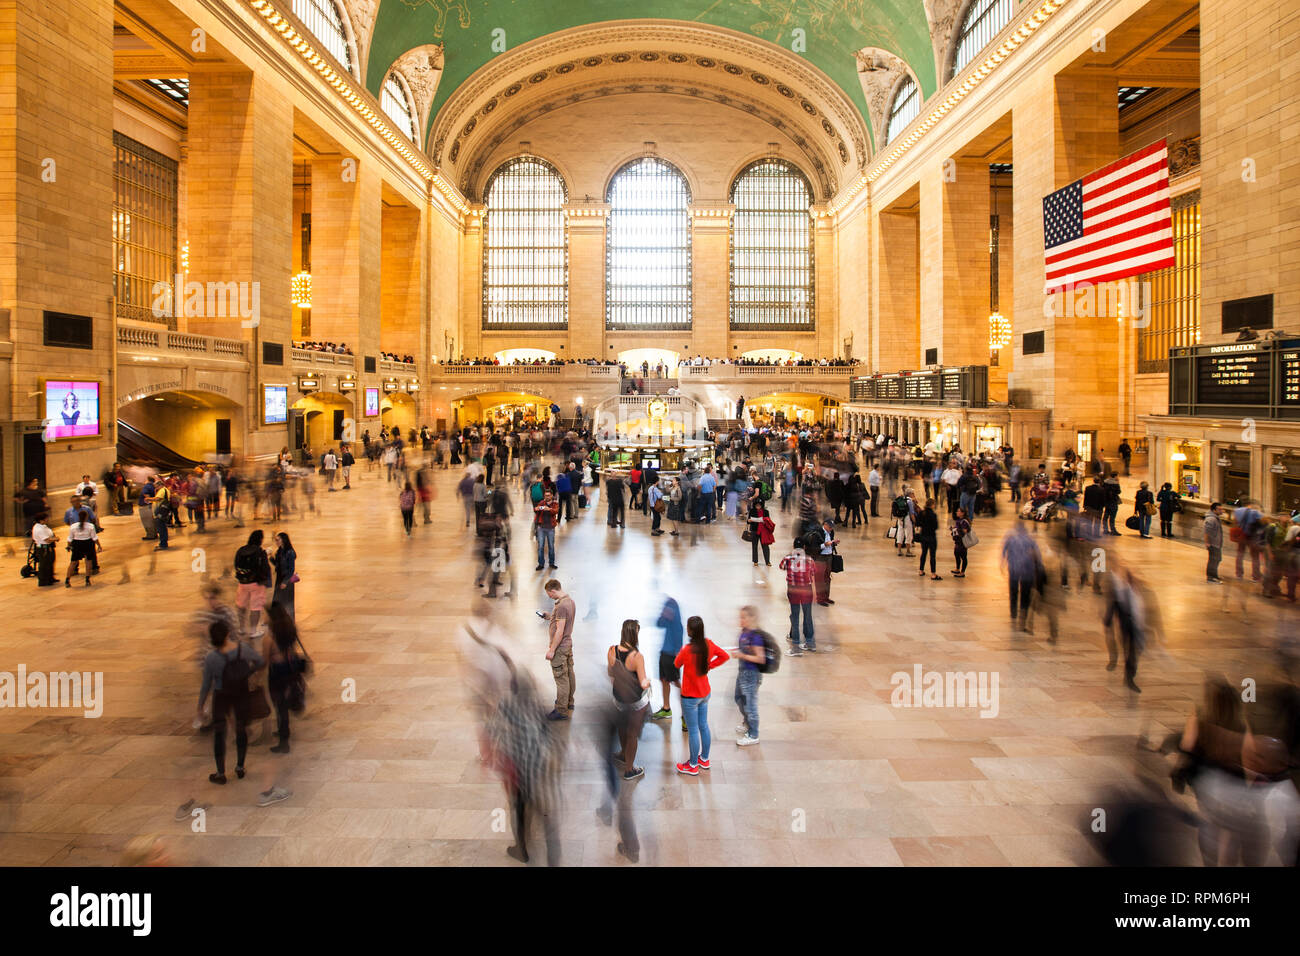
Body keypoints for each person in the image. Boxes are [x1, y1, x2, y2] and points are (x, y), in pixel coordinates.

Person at [197, 618, 264, 785]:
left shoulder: (211, 657)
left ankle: (220, 773)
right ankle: (240, 767)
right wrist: (249, 672)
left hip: (221, 695)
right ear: (228, 634)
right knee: (241, 728)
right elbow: (260, 662)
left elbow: (206, 684)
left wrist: (200, 706)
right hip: (241, 692)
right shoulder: (242, 649)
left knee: (219, 733)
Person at [674, 616, 730, 776]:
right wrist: (710, 665)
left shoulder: (687, 650)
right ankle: (704, 759)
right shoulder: (709, 644)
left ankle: (692, 765)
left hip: (690, 696)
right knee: (703, 726)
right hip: (705, 693)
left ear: (690, 631)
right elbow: (724, 656)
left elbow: (677, 664)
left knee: (692, 730)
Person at [607, 620, 650, 781]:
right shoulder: (637, 657)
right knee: (632, 734)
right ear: (634, 635)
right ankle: (630, 769)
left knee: (622, 727)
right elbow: (642, 682)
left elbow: (611, 673)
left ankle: (623, 754)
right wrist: (649, 682)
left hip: (618, 698)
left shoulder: (612, 650)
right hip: (634, 702)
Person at [262, 602, 306, 755]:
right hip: (291, 669)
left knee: (280, 706)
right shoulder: (290, 629)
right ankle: (283, 729)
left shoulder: (270, 639)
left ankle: (283, 740)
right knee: (284, 704)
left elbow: (264, 660)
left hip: (277, 673)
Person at [543, 579, 576, 721]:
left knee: (561, 678)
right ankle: (569, 702)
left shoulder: (561, 606)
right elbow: (563, 621)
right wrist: (550, 617)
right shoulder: (570, 601)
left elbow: (560, 631)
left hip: (560, 648)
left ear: (553, 590)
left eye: (549, 594)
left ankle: (561, 710)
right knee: (569, 674)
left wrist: (552, 650)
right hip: (567, 645)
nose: (549, 596)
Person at [733, 606, 765, 746]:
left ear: (752, 618)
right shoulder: (744, 632)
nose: (741, 620)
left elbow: (760, 659)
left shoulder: (756, 636)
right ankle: (747, 722)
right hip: (743, 671)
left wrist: (742, 655)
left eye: (743, 617)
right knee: (739, 698)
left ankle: (753, 734)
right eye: (740, 617)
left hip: (751, 674)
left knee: (750, 704)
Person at [1001, 522, 1042, 632]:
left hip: (1014, 570)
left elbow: (1004, 551)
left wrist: (1002, 563)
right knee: (1025, 594)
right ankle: (1023, 613)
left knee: (1013, 591)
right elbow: (1038, 556)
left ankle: (1013, 611)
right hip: (1027, 571)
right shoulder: (1031, 540)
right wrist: (1040, 569)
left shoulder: (1011, 538)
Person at [779, 539, 816, 655]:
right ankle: (810, 643)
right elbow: (813, 572)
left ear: (793, 546)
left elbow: (781, 566)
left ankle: (795, 646)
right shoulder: (809, 559)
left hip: (793, 590)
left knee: (795, 616)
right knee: (807, 615)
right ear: (804, 547)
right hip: (806, 590)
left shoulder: (788, 558)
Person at [233, 530, 273, 638]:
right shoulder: (259, 552)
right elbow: (264, 567)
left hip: (243, 583)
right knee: (255, 607)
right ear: (260, 540)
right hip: (256, 584)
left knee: (241, 606)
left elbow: (235, 564)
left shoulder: (241, 550)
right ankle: (253, 630)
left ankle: (241, 628)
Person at [651, 596, 684, 724]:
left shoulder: (677, 625)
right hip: (664, 653)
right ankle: (666, 708)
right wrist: (662, 615)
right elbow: (658, 624)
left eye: (670, 610)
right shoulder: (666, 620)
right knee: (663, 679)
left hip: (672, 655)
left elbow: (679, 638)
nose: (668, 611)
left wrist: (678, 653)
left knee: (676, 682)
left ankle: (685, 713)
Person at [64, 509, 99, 588]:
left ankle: (67, 580)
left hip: (77, 544)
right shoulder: (90, 526)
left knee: (73, 562)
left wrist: (68, 546)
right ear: (86, 517)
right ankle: (87, 580)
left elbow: (70, 538)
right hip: (88, 544)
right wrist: (99, 546)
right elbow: (94, 537)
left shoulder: (73, 526)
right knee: (88, 562)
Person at [272, 532, 297, 618]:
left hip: (287, 580)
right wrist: (271, 557)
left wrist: (285, 582)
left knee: (287, 601)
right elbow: (277, 565)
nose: (276, 542)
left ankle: (289, 620)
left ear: (283, 540)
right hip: (279, 578)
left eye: (278, 540)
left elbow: (291, 569)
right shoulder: (279, 551)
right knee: (277, 599)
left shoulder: (290, 552)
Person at [814, 517, 839, 604]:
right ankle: (820, 598)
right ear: (825, 525)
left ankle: (826, 597)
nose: (831, 529)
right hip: (820, 557)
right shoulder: (818, 533)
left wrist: (834, 543)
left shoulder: (831, 532)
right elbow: (815, 547)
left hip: (829, 557)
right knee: (819, 579)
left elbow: (831, 543)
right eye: (829, 527)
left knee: (827, 578)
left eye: (832, 527)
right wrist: (825, 545)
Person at [916, 498, 942, 580]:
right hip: (931, 537)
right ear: (932, 505)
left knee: (924, 553)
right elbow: (936, 526)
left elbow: (917, 523)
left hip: (923, 536)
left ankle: (921, 570)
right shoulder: (933, 515)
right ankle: (933, 573)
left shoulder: (921, 513)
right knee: (932, 555)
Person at [534, 489, 559, 570]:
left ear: (551, 495)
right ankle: (541, 564)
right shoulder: (542, 502)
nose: (547, 497)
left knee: (551, 546)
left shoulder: (555, 503)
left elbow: (556, 511)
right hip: (541, 527)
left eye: (548, 495)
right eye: (545, 496)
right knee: (540, 547)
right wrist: (536, 509)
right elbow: (536, 510)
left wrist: (549, 509)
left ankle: (551, 563)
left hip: (551, 528)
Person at [31, 513, 57, 587]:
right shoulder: (38, 529)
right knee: (44, 564)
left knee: (50, 562)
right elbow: (47, 540)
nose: (47, 520)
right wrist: (55, 539)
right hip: (43, 548)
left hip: (48, 547)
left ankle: (50, 578)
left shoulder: (43, 526)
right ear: (41, 520)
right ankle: (43, 580)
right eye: (46, 518)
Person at [747, 499, 775, 566]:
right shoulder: (752, 511)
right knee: (754, 546)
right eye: (757, 505)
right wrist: (750, 520)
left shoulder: (766, 512)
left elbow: (769, 521)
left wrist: (764, 521)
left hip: (764, 531)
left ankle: (767, 561)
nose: (758, 507)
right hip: (754, 530)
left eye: (759, 505)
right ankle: (755, 561)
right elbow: (748, 521)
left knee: (765, 546)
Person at [1203, 501, 1225, 584]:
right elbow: (1206, 532)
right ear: (1214, 510)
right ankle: (1211, 577)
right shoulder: (1211, 519)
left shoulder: (1215, 518)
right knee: (1213, 560)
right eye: (1219, 509)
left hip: (1216, 543)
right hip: (1213, 544)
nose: (1221, 511)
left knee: (1217, 559)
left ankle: (1214, 575)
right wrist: (1207, 543)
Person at [950, 506, 971, 577]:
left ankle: (962, 572)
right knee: (956, 554)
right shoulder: (958, 520)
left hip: (963, 542)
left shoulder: (964, 521)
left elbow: (964, 531)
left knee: (963, 556)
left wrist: (957, 529)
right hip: (958, 541)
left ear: (962, 513)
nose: (957, 512)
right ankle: (957, 568)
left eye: (958, 511)